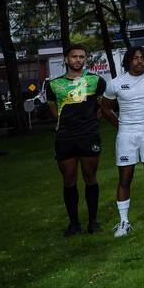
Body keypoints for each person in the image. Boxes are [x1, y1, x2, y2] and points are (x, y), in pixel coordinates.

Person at [100, 46, 144, 236]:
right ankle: (124, 222)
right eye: (135, 58)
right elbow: (105, 108)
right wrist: (120, 124)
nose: (139, 61)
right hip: (126, 135)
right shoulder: (115, 83)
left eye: (143, 58)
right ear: (127, 61)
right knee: (125, 177)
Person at [43, 44, 107, 237]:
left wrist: (89, 123)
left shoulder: (96, 81)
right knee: (69, 180)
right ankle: (74, 224)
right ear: (66, 59)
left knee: (90, 177)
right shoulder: (54, 84)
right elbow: (53, 108)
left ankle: (93, 221)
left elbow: (101, 107)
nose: (78, 60)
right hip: (65, 137)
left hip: (88, 135)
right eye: (74, 56)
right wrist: (64, 122)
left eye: (81, 56)